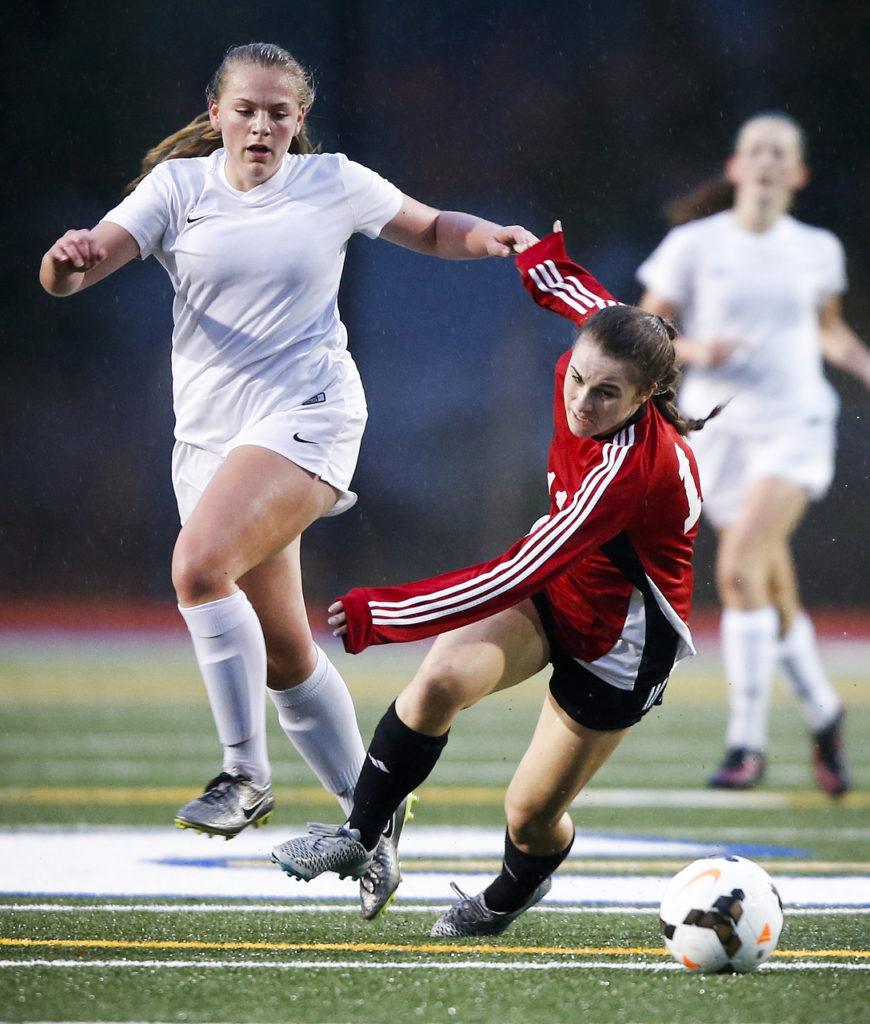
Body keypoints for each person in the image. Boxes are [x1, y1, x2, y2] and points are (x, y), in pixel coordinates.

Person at [38, 41, 536, 920]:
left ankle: (244, 773)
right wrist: (69, 259)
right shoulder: (177, 191)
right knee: (285, 653)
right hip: (211, 444)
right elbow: (82, 267)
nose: (262, 125)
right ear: (218, 112)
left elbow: (427, 226)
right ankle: (370, 823)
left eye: (279, 111)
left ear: (299, 118)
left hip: (312, 414)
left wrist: (489, 237)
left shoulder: (332, 181)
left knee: (198, 569)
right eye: (247, 109)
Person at [270, 224, 718, 937]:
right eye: (577, 376)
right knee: (440, 680)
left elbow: (517, 570)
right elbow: (579, 298)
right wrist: (535, 257)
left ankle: (508, 896)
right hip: (560, 593)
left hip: (620, 647)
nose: (582, 401)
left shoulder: (628, 474)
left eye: (607, 394)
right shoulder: (608, 344)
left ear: (646, 397)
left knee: (531, 815)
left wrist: (383, 613)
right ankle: (358, 835)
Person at [637, 112, 870, 796]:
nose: (767, 162)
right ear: (736, 167)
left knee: (738, 569)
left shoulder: (817, 248)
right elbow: (647, 330)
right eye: (756, 151)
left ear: (796, 175)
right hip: (719, 431)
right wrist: (693, 349)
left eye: (782, 154)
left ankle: (746, 743)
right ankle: (825, 712)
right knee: (768, 582)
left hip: (795, 424)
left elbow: (829, 332)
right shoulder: (693, 244)